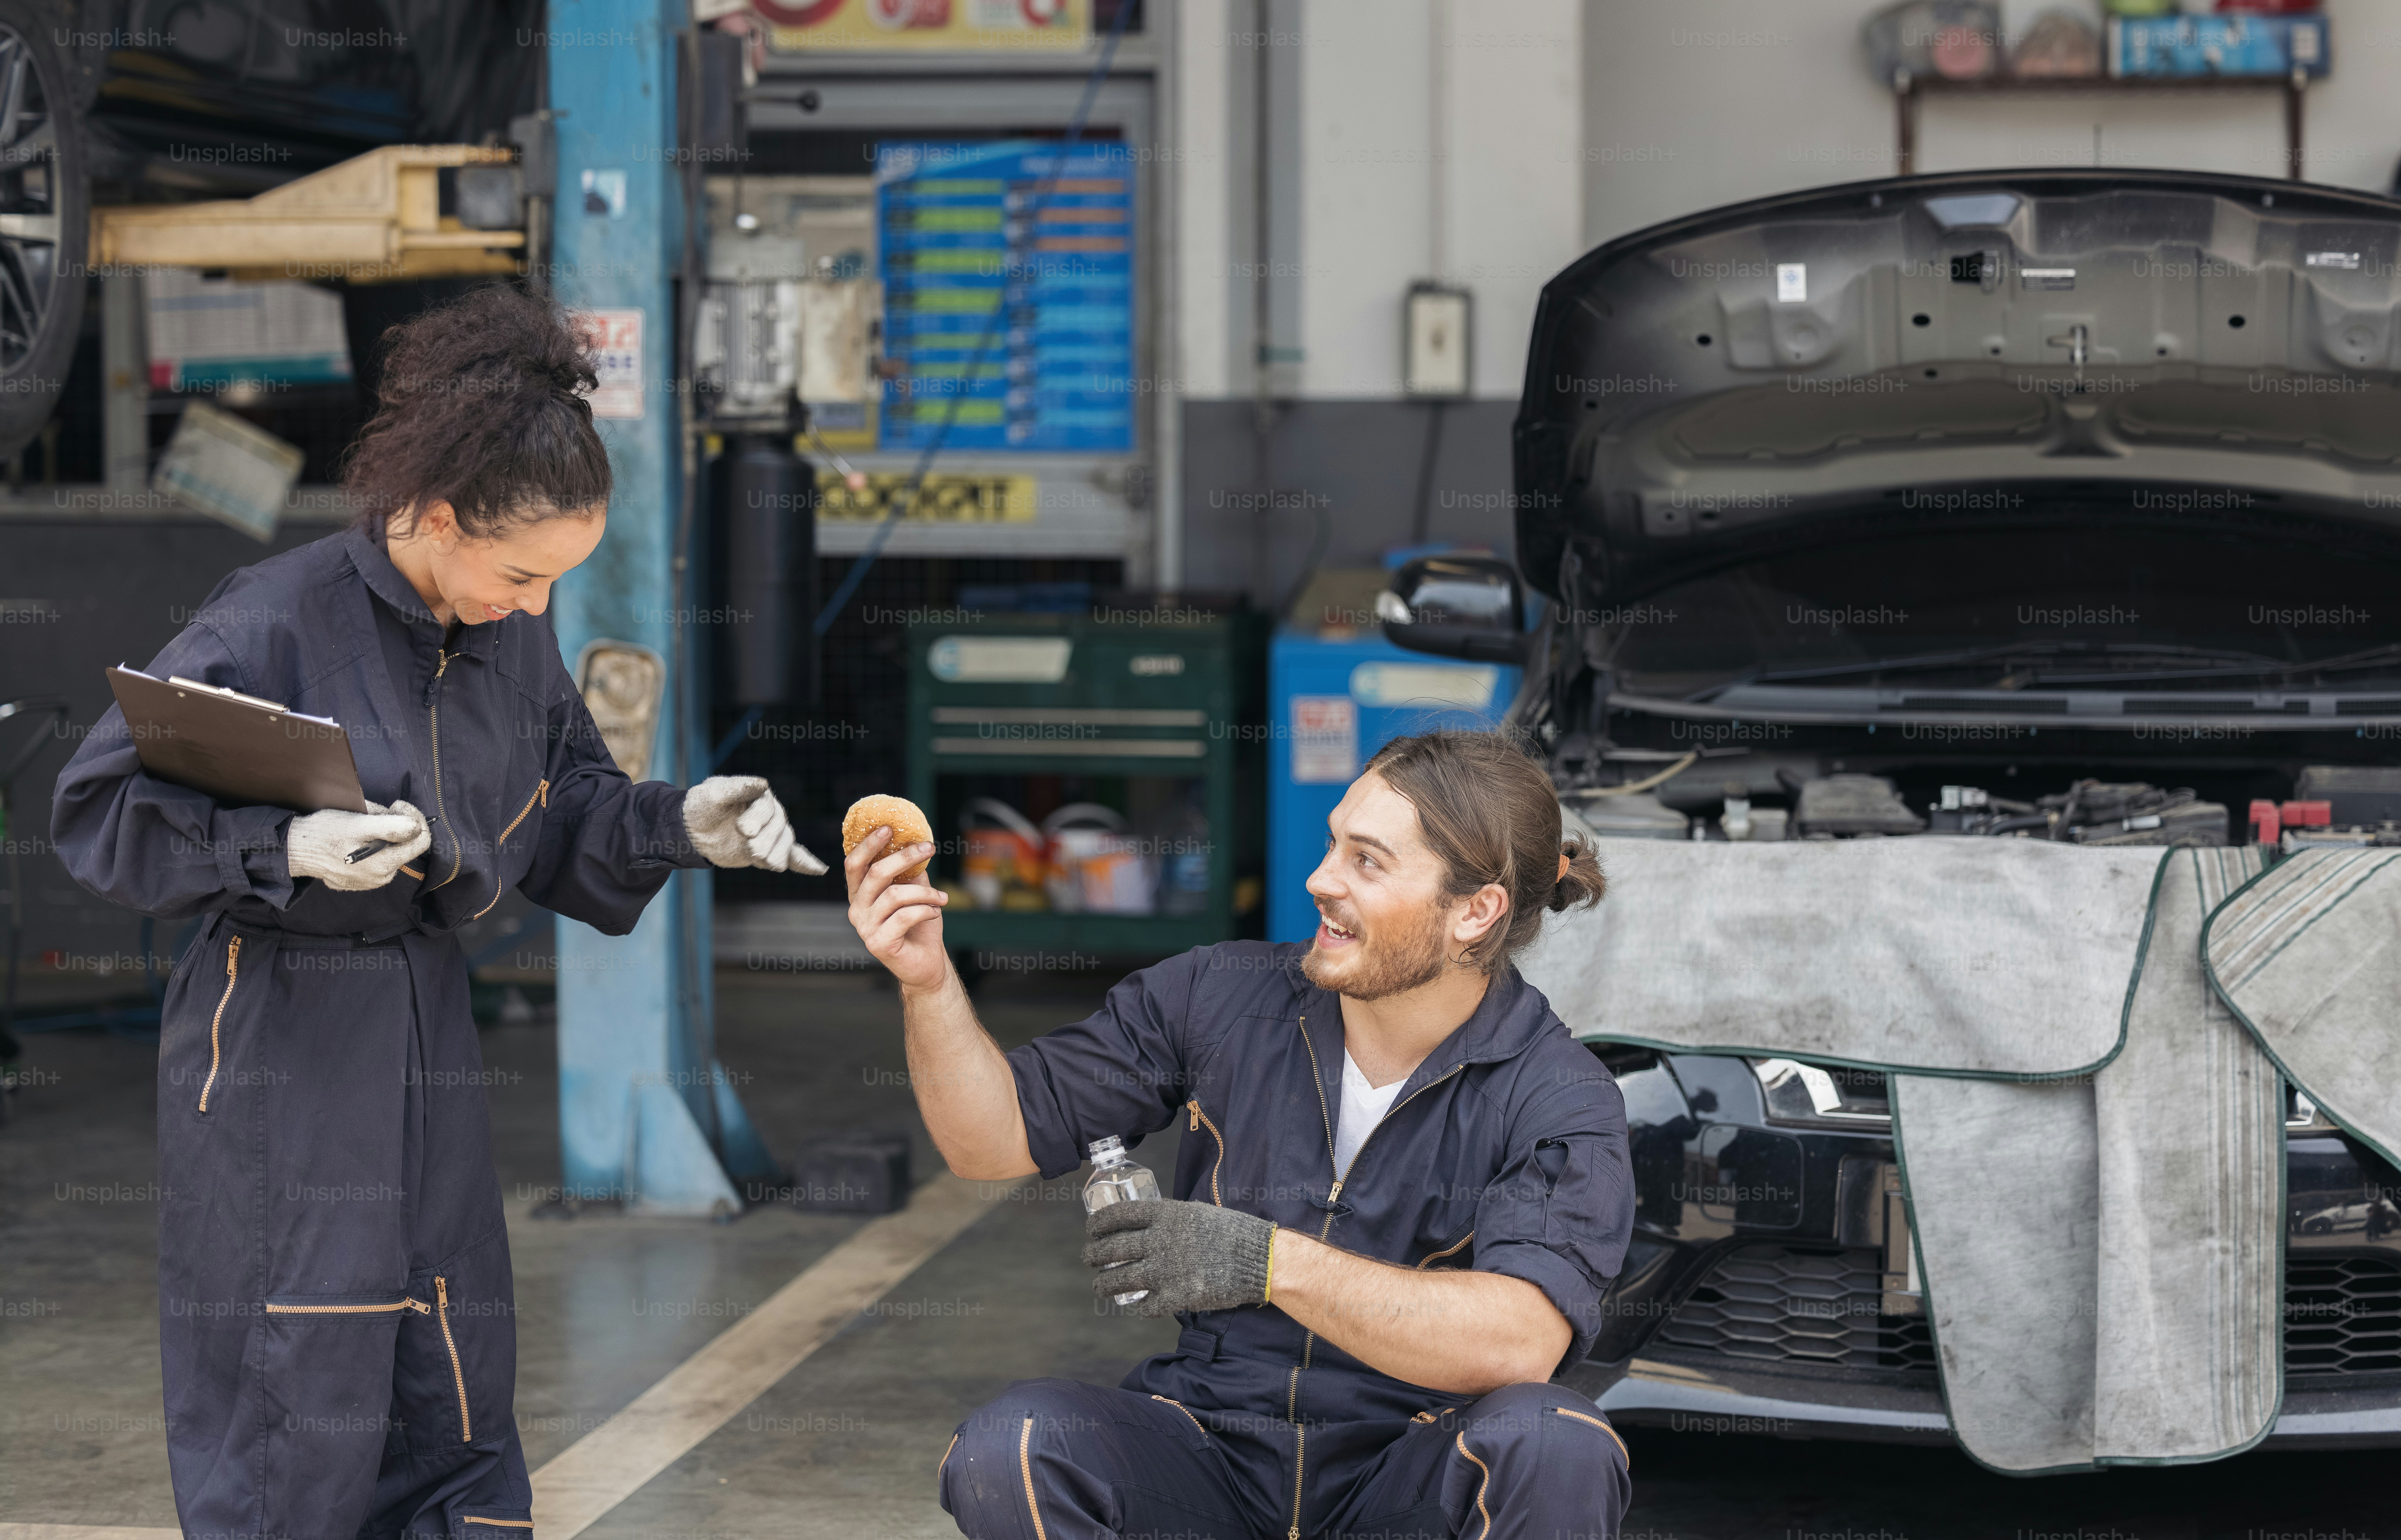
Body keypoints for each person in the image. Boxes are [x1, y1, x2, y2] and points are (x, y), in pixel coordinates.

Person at [51, 285, 822, 1539]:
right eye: (521, 573)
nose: (538, 605)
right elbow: (99, 806)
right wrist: (284, 846)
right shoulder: (273, 616)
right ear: (439, 514)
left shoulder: (511, 638)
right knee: (302, 1339)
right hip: (281, 1024)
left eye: (558, 580)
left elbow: (567, 805)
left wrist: (682, 823)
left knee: (447, 1333)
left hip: (424, 1011)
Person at [845, 729, 1634, 1540]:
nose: (1320, 879)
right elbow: (993, 1138)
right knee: (1014, 1447)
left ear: (1475, 911)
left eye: (1367, 862)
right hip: (1212, 1447)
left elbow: (1519, 1344)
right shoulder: (1218, 996)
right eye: (1333, 844)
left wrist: (1266, 1262)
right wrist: (929, 983)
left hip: (1413, 1471)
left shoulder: (1559, 1093)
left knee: (1556, 1442)